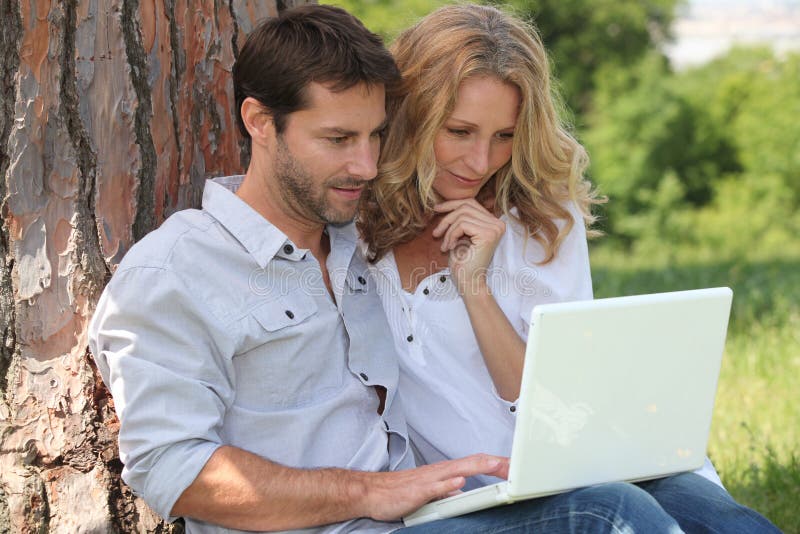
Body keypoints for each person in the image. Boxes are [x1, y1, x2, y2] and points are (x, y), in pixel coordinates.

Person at [89, 5, 698, 533]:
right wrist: (372, 492)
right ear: (258, 122)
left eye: (377, 137)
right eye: (337, 139)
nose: (365, 165)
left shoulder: (356, 242)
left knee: (683, 501)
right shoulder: (175, 270)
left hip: (424, 518)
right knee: (607, 517)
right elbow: (170, 468)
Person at [358, 4, 780, 533]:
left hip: (591, 455)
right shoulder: (353, 231)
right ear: (410, 115)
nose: (481, 160)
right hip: (478, 493)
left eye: (505, 136)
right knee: (619, 513)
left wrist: (475, 288)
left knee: (729, 524)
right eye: (459, 131)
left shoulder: (541, 220)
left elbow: (556, 403)